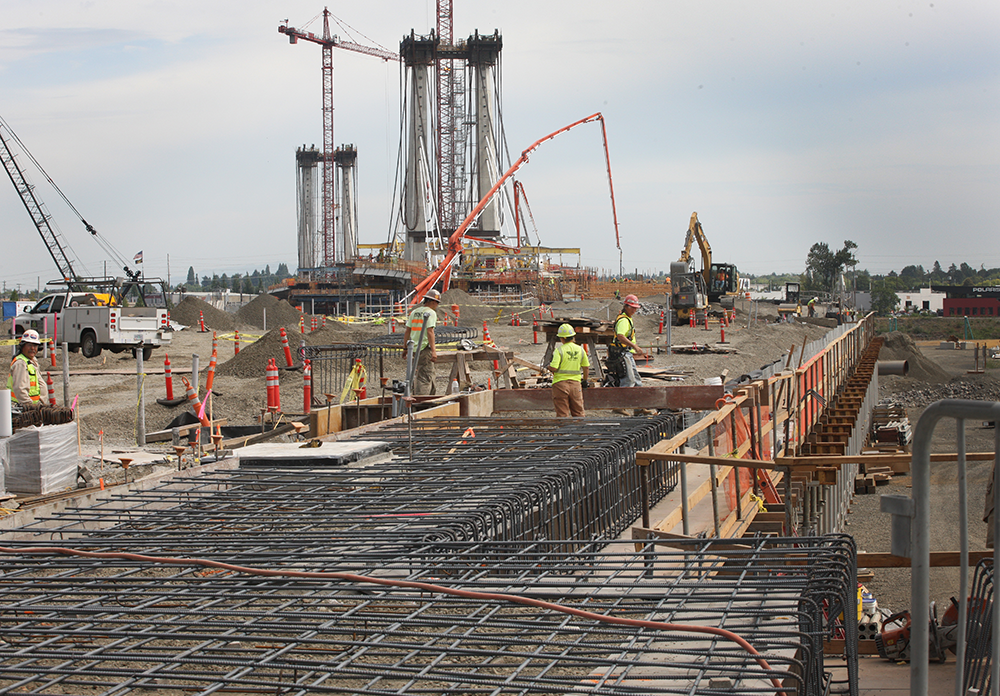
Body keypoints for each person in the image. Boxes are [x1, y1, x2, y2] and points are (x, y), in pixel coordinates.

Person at [403, 289, 440, 395]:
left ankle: (429, 397)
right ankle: (422, 402)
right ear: (433, 302)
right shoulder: (431, 313)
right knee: (425, 376)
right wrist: (434, 351)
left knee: (424, 372)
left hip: (414, 348)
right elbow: (430, 331)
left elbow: (407, 331)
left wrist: (405, 348)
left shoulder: (415, 312)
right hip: (424, 348)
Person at [548, 323, 589, 417]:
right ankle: (580, 431)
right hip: (575, 384)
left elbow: (554, 368)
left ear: (562, 338)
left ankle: (563, 430)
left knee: (562, 413)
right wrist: (585, 380)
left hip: (560, 384)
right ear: (573, 337)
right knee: (578, 412)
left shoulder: (559, 350)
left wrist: (548, 367)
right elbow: (586, 367)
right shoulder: (580, 350)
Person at [614, 294, 646, 388]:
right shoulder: (624, 320)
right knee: (628, 381)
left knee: (636, 381)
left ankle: (638, 398)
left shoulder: (627, 318)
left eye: (635, 308)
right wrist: (634, 346)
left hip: (626, 353)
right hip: (622, 353)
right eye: (632, 308)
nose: (634, 310)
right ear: (626, 306)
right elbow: (620, 336)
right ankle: (624, 400)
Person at [7, 329, 44, 407]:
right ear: (23, 346)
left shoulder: (32, 361)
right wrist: (29, 405)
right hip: (22, 407)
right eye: (29, 345)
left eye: (35, 345)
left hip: (33, 407)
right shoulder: (21, 363)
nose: (33, 348)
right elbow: (20, 389)